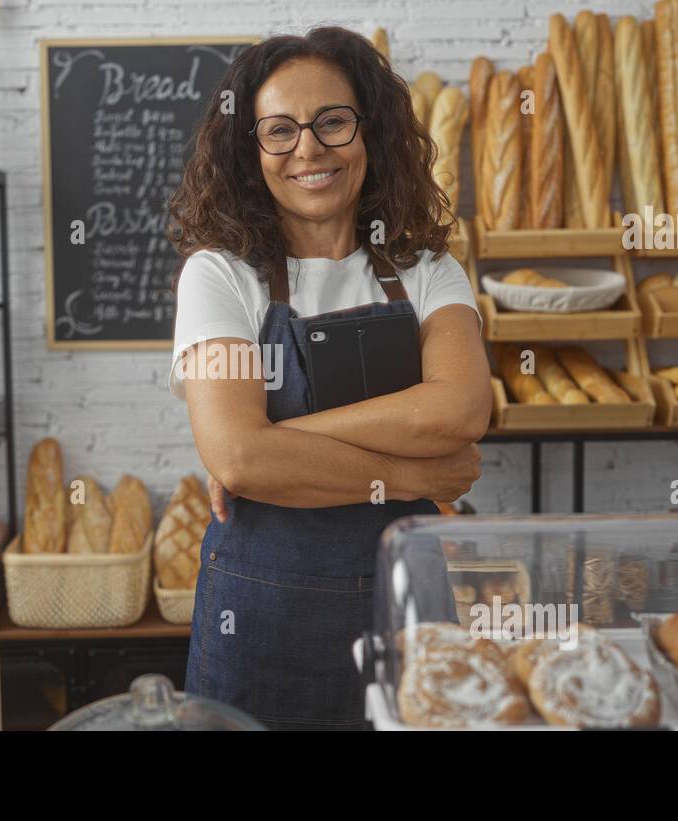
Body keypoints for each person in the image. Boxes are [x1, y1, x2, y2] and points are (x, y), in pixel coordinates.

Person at [165, 26, 491, 730]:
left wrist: (280, 438)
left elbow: (462, 410)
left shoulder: (428, 269)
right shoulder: (218, 275)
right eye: (279, 130)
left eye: (332, 122)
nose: (308, 148)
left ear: (368, 131)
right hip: (257, 627)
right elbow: (241, 458)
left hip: (407, 609)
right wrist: (414, 475)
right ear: (250, 152)